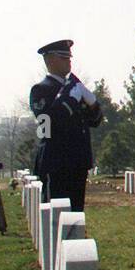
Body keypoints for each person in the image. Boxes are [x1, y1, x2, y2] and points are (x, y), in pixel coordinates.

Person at [29, 39, 103, 213]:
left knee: (76, 213)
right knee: (57, 215)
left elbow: (94, 121)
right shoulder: (41, 90)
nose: (69, 61)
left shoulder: (74, 87)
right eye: (64, 58)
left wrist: (93, 104)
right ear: (51, 60)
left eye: (69, 58)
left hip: (78, 161)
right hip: (57, 162)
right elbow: (48, 124)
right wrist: (70, 99)